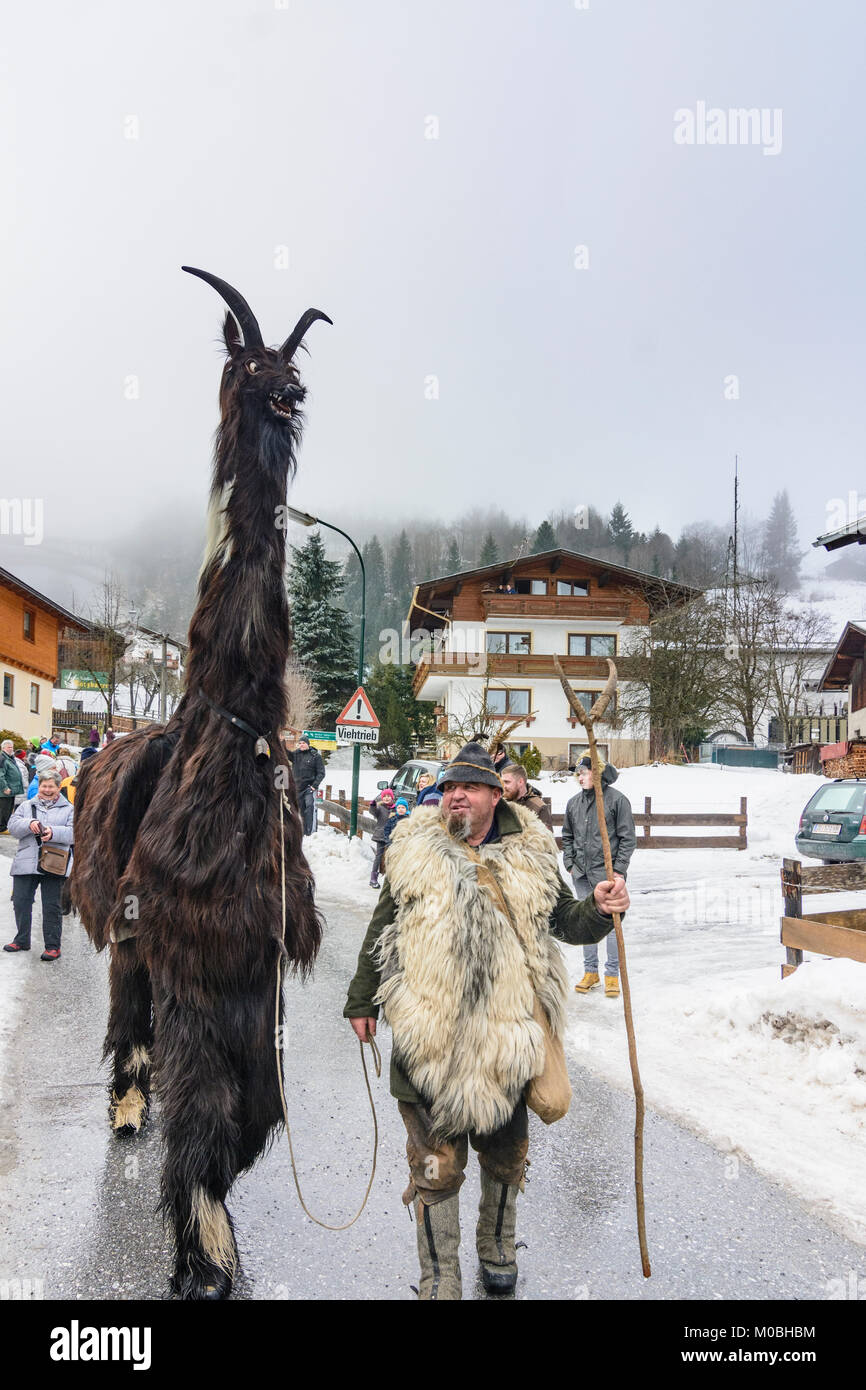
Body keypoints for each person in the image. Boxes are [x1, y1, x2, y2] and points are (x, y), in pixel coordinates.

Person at [344, 741, 629, 1299]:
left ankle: (497, 1246)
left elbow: (564, 922)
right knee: (435, 1165)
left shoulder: (532, 853)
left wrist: (598, 906)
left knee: (504, 1156)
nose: (454, 796)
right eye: (449, 787)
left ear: (495, 796)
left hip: (506, 1037)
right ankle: (439, 1274)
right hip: (430, 1036)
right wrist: (362, 1002)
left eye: (467, 788)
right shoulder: (413, 849)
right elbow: (382, 931)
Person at [561, 756, 636, 998]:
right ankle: (590, 972)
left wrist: (619, 870)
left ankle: (612, 975)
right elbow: (568, 836)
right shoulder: (574, 804)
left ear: (597, 772)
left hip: (607, 876)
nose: (580, 777)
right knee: (586, 923)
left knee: (612, 925)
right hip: (581, 874)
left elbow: (627, 839)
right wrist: (570, 863)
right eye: (578, 774)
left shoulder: (616, 801)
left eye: (584, 772)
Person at [4, 768, 75, 960]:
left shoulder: (69, 809)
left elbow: (75, 834)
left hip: (55, 863)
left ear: (58, 787)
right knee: (20, 901)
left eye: (51, 786)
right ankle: (21, 940)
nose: (47, 789)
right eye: (44, 786)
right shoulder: (26, 806)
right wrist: (29, 824)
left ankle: (53, 946)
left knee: (52, 906)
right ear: (39, 787)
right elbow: (12, 827)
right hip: (26, 861)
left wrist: (53, 832)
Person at [288, 736, 325, 836]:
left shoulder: (315, 756)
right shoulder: (296, 754)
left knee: (309, 808)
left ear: (308, 744)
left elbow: (321, 773)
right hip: (298, 788)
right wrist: (281, 742)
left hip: (309, 788)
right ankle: (302, 831)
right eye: (300, 743)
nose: (301, 745)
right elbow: (285, 754)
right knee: (300, 810)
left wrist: (314, 786)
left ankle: (310, 832)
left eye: (303, 743)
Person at [500, 762, 553, 829]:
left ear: (520, 782)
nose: (503, 786)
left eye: (507, 782)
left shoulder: (539, 807)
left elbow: (546, 838)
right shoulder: (500, 804)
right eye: (502, 782)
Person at [368, 787, 396, 888]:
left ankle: (391, 877)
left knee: (392, 856)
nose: (387, 798)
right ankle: (373, 878)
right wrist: (373, 806)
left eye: (389, 796)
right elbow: (373, 812)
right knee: (378, 856)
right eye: (384, 796)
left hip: (392, 836)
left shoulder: (395, 808)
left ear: (392, 797)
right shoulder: (380, 808)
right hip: (381, 835)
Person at [0, 739, 25, 831]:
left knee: (9, 809)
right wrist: (4, 787)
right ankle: (2, 828)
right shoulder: (2, 758)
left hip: (11, 789)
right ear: (3, 748)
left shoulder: (9, 758)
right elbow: (0, 775)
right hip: (4, 791)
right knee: (4, 810)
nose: (11, 749)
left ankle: (4, 826)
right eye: (9, 747)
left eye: (12, 747)